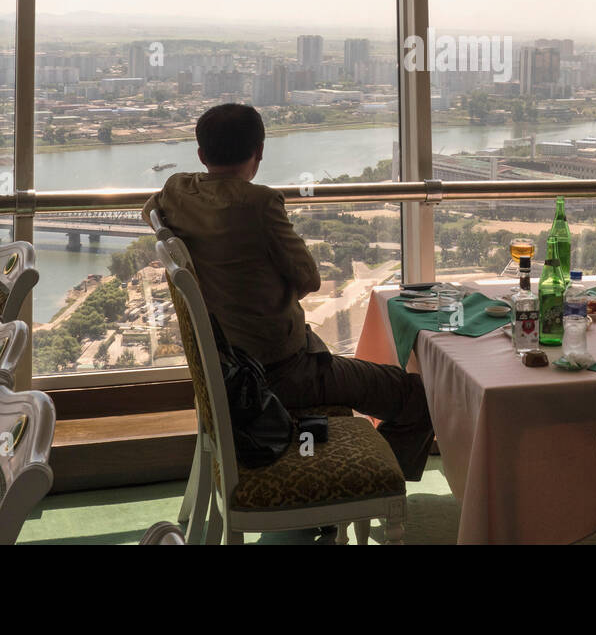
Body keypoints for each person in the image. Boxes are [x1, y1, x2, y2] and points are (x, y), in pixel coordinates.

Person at [142, 103, 433, 480]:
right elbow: (308, 280)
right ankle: (373, 485)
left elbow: (150, 212)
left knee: (336, 359)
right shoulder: (260, 203)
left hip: (228, 369)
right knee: (417, 395)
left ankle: (347, 481)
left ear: (201, 154)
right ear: (259, 153)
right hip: (280, 374)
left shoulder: (176, 189)